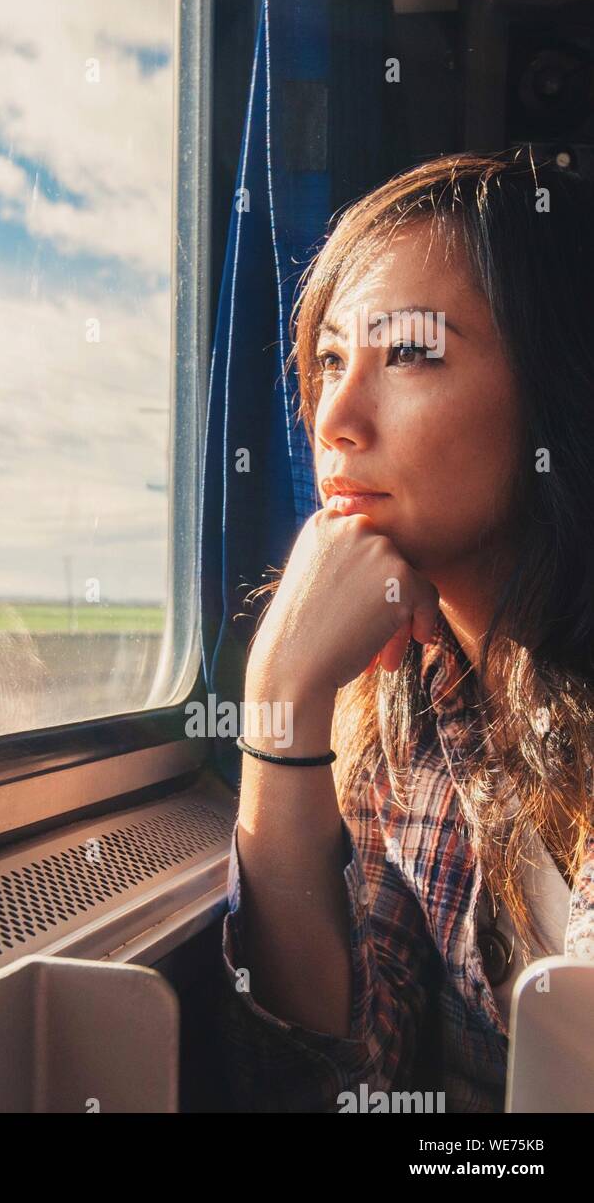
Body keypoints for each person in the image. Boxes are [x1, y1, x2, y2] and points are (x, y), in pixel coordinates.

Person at [216, 149, 594, 1112]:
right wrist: (282, 700)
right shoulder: (412, 710)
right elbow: (347, 1066)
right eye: (332, 358)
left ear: (556, 385)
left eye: (413, 352)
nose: (335, 416)